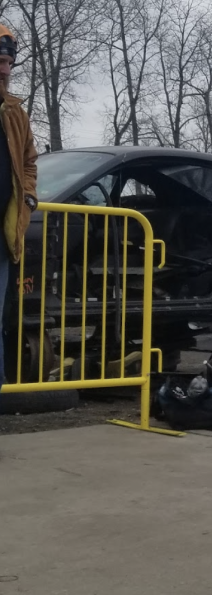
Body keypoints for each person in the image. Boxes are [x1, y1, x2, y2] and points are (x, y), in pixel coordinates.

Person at [0, 24, 39, 399]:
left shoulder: (15, 114)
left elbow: (29, 162)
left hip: (3, 236)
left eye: (8, 62)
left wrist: (28, 198)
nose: (4, 69)